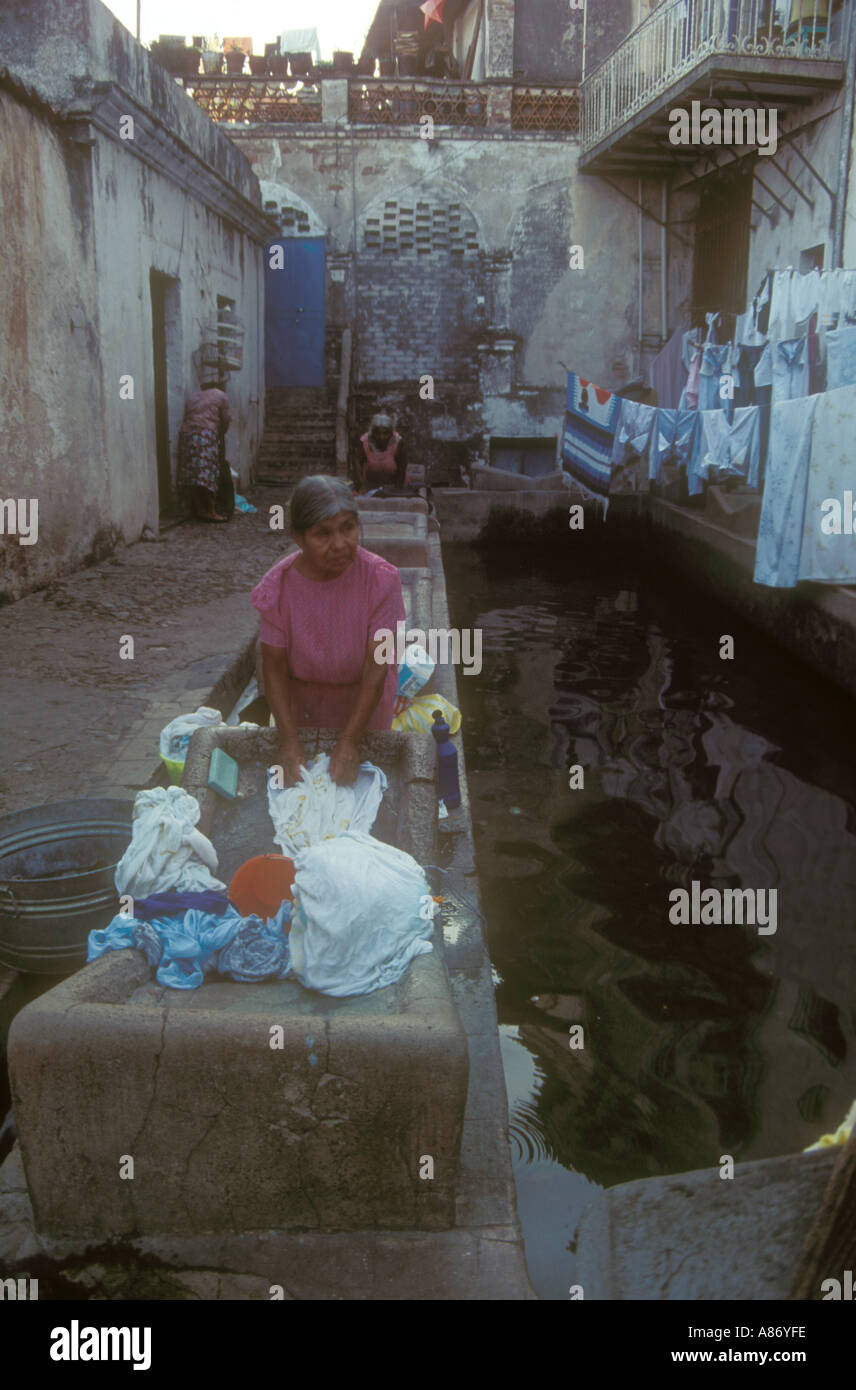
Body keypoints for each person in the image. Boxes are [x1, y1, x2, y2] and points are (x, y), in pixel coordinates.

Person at [251, 475, 406, 786]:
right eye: (322, 534)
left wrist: (349, 740)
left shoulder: (380, 581)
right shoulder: (277, 586)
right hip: (303, 709)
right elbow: (274, 668)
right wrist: (289, 740)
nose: (339, 544)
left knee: (363, 793)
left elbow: (378, 667)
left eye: (348, 528)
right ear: (298, 537)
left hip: (364, 707)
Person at [177, 378, 231, 521]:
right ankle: (212, 512)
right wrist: (220, 434)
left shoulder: (194, 396)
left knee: (192, 473)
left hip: (187, 434)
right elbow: (226, 419)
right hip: (205, 434)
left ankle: (200, 509)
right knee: (209, 472)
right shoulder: (221, 395)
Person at [358, 413, 406, 492]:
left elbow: (402, 465)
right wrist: (361, 485)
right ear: (373, 432)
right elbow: (357, 462)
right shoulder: (365, 440)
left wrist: (397, 488)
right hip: (370, 485)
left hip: (393, 485)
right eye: (377, 433)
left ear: (390, 433)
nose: (381, 437)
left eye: (385, 433)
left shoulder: (397, 441)